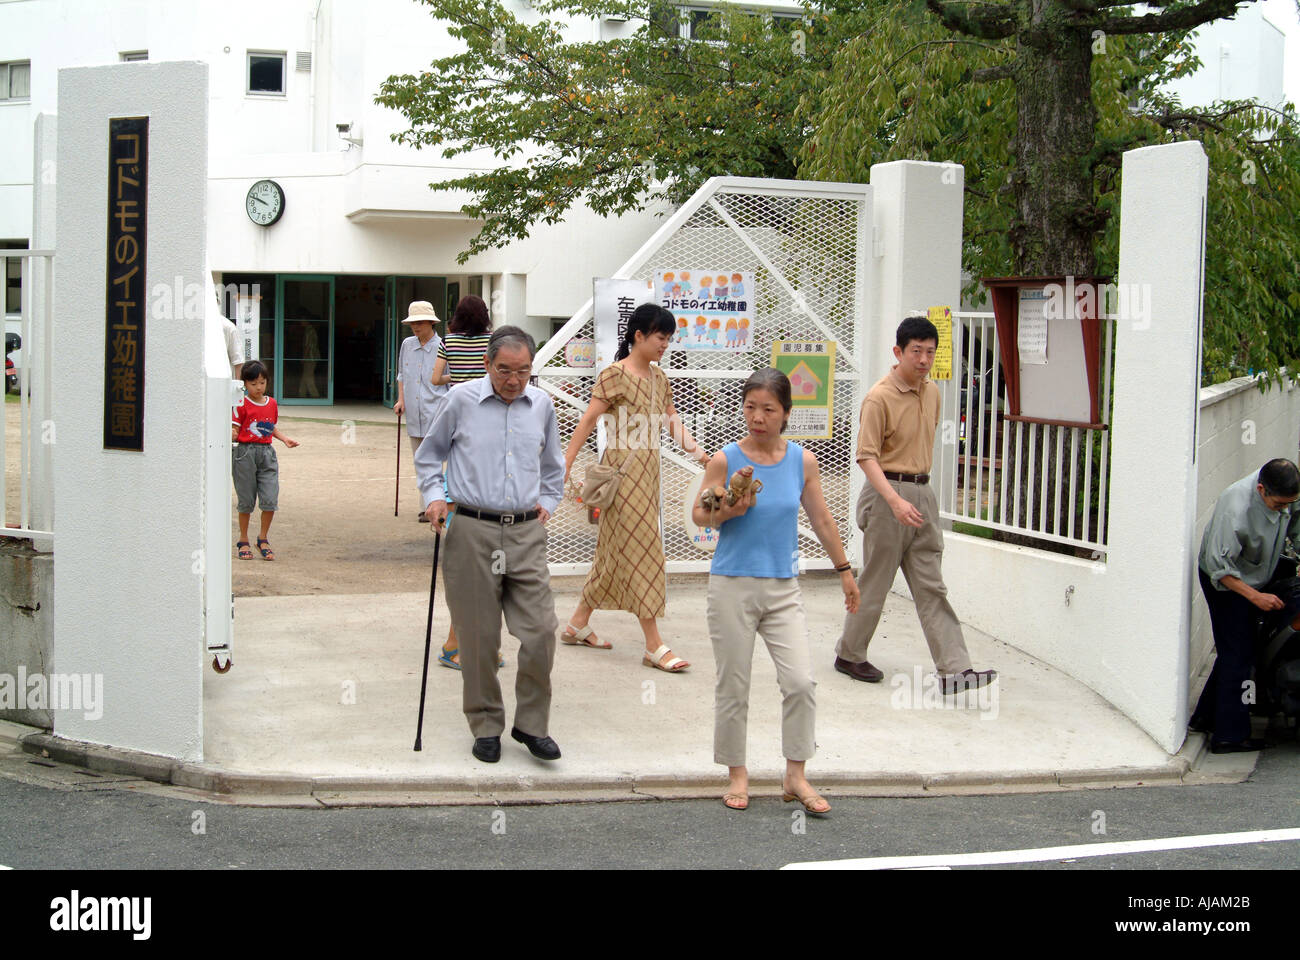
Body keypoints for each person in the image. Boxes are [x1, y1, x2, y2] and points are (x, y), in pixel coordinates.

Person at [694, 368, 860, 814]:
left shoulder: (802, 461)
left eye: (768, 409)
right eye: (750, 407)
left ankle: (795, 774)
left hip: (783, 588)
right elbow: (699, 515)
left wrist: (844, 570)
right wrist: (731, 509)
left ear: (786, 412)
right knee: (734, 683)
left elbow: (822, 519)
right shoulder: (725, 460)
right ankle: (737, 773)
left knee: (801, 681)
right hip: (731, 584)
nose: (757, 417)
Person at [416, 327, 565, 764]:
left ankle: (531, 725)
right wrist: (435, 497)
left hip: (525, 533)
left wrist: (548, 502)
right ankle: (485, 724)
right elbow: (430, 455)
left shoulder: (542, 405)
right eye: (504, 370)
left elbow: (553, 465)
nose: (514, 380)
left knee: (541, 630)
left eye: (523, 371)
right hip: (472, 529)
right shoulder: (460, 400)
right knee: (478, 636)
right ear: (487, 363)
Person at [835, 316, 996, 694]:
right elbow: (866, 457)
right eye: (916, 351)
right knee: (876, 582)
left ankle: (955, 670)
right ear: (898, 352)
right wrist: (893, 500)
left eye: (930, 352)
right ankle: (850, 654)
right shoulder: (879, 397)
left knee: (932, 586)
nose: (924, 359)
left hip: (923, 494)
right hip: (886, 494)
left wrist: (917, 497)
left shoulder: (933, 393)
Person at [560, 303, 711, 672]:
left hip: (649, 477)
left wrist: (703, 456)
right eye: (660, 336)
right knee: (645, 552)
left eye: (669, 338)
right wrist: (565, 464)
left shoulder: (660, 379)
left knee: (612, 553)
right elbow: (588, 420)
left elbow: (673, 423)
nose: (665, 344)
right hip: (622, 479)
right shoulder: (614, 375)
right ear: (638, 335)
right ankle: (654, 645)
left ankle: (577, 623)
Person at [1191, 458, 1300, 752]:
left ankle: (1205, 718)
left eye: (1289, 504)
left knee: (1237, 650)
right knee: (1239, 656)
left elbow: (1296, 527)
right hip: (1226, 581)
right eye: (1278, 505)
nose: (1284, 510)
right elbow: (1219, 568)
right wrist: (1256, 597)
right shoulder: (1235, 506)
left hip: (1256, 571)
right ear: (1262, 490)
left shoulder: (1286, 494)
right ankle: (1230, 736)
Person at [428, 294, 494, 668]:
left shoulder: (448, 342)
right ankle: (458, 643)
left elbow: (435, 377)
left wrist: (457, 379)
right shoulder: (492, 342)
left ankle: (468, 642)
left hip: (457, 412)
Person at [231, 360, 299, 561]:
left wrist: (284, 439)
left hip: (267, 454)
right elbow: (235, 428)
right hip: (245, 454)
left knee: (270, 499)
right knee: (246, 501)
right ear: (245, 384)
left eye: (262, 382)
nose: (258, 387)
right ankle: (243, 540)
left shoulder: (272, 404)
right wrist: (232, 433)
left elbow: (269, 426)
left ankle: (262, 538)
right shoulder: (241, 404)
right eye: (253, 384)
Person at [392, 301, 448, 523]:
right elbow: (401, 375)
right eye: (413, 323)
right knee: (420, 460)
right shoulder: (407, 345)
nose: (416, 327)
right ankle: (427, 503)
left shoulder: (443, 346)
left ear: (431, 323)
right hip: (414, 412)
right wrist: (401, 400)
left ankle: (430, 505)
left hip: (436, 410)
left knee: (433, 459)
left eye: (420, 323)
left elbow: (450, 380)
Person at [432, 294, 493, 387]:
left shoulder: (447, 341)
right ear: (484, 315)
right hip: (484, 393)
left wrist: (455, 376)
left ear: (458, 316)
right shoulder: (493, 340)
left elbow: (435, 380)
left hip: (459, 395)